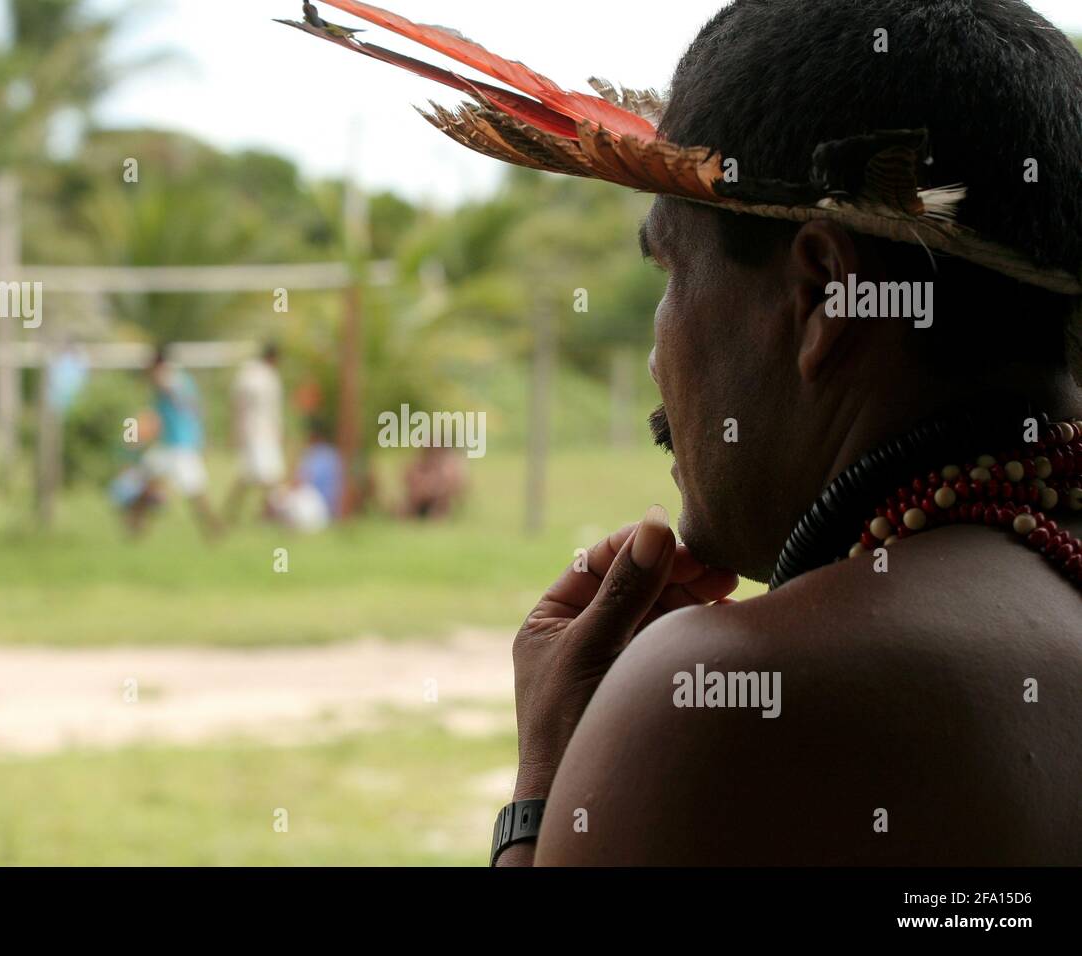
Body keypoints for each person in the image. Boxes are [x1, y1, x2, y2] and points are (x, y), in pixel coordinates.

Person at [299, 0, 1082, 865]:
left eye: (672, 270)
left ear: (825, 295)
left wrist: (546, 783)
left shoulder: (732, 697)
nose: (653, 362)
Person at [130, 348, 220, 538]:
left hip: (180, 446)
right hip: (169, 445)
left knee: (195, 492)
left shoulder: (169, 379)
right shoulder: (180, 379)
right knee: (147, 485)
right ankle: (135, 526)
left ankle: (213, 529)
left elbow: (183, 405)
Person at [224, 342, 285, 522]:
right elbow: (239, 403)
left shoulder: (271, 375)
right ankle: (272, 514)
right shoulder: (251, 374)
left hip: (267, 433)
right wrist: (236, 430)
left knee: (252, 476)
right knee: (267, 476)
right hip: (255, 434)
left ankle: (257, 513)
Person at [402, 445, 465, 520]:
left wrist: (433, 487)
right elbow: (409, 477)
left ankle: (437, 512)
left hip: (437, 497)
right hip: (421, 498)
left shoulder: (449, 464)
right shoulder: (421, 462)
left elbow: (455, 485)